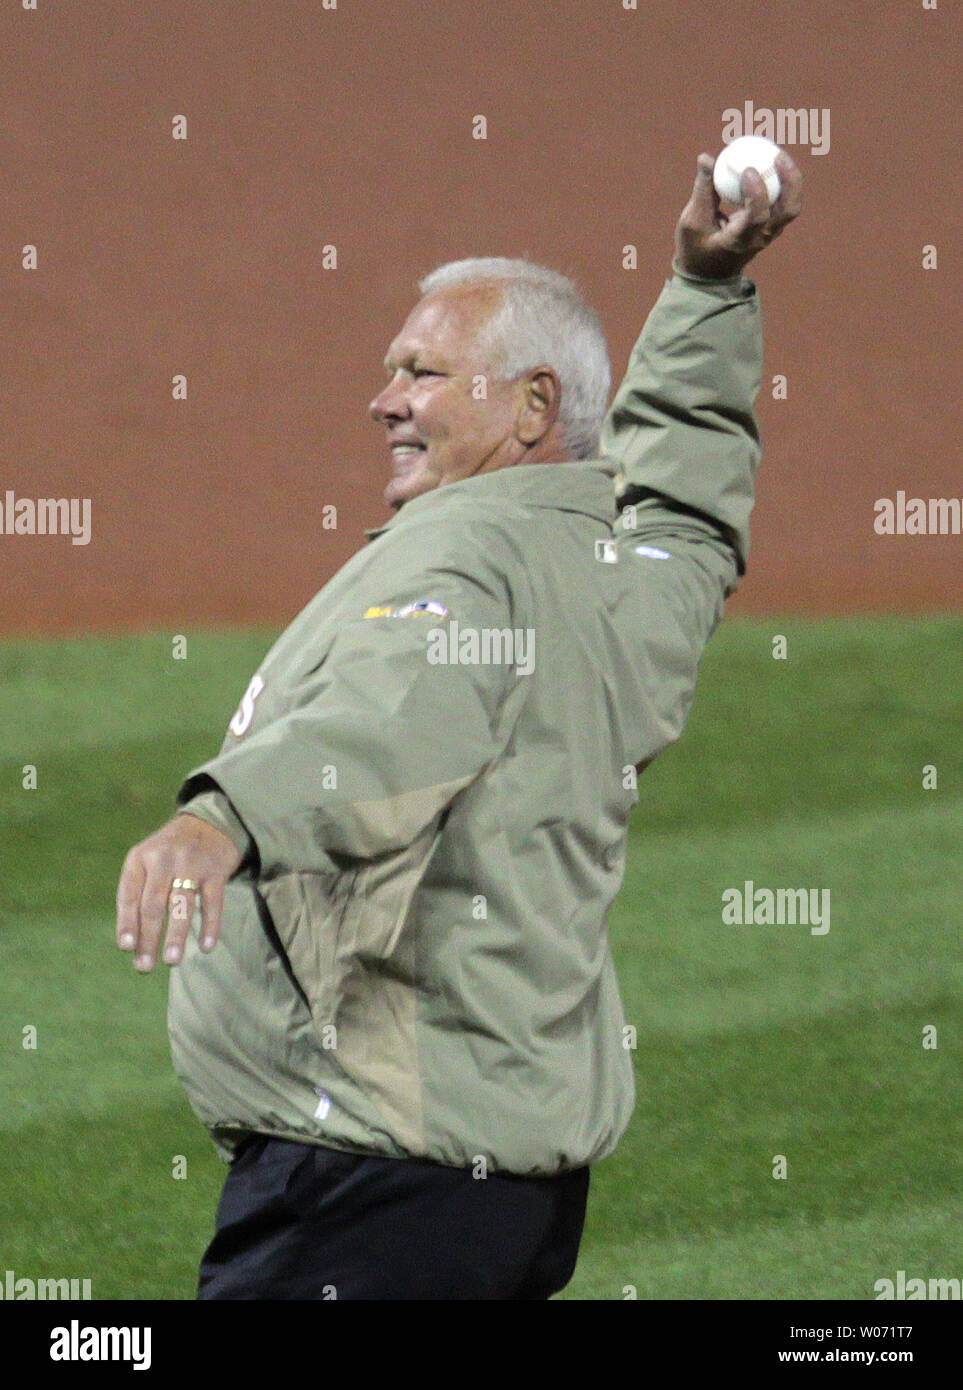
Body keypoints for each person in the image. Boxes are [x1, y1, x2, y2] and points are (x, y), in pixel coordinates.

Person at [115, 152, 801, 1299]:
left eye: (423, 373)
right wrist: (705, 291)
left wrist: (224, 819)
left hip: (373, 1175)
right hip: (508, 1183)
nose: (385, 399)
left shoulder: (466, 556)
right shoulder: (623, 569)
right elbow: (689, 502)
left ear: (534, 406)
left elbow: (392, 727)